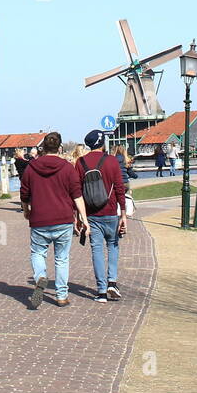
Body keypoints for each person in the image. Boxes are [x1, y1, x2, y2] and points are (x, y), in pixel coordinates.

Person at [20, 131, 88, 308]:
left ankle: (40, 277)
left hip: (40, 219)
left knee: (38, 253)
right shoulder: (67, 168)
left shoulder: (31, 168)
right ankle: (61, 296)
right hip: (63, 219)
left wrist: (26, 210)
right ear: (59, 148)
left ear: (43, 147)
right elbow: (77, 195)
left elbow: (24, 194)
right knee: (62, 258)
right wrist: (84, 218)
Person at [79, 130, 127, 303]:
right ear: (102, 143)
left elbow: (76, 192)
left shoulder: (80, 162)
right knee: (113, 246)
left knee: (97, 250)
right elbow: (120, 188)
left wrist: (80, 218)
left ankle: (100, 291)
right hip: (110, 211)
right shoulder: (112, 161)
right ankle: (112, 282)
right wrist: (123, 213)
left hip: (91, 214)